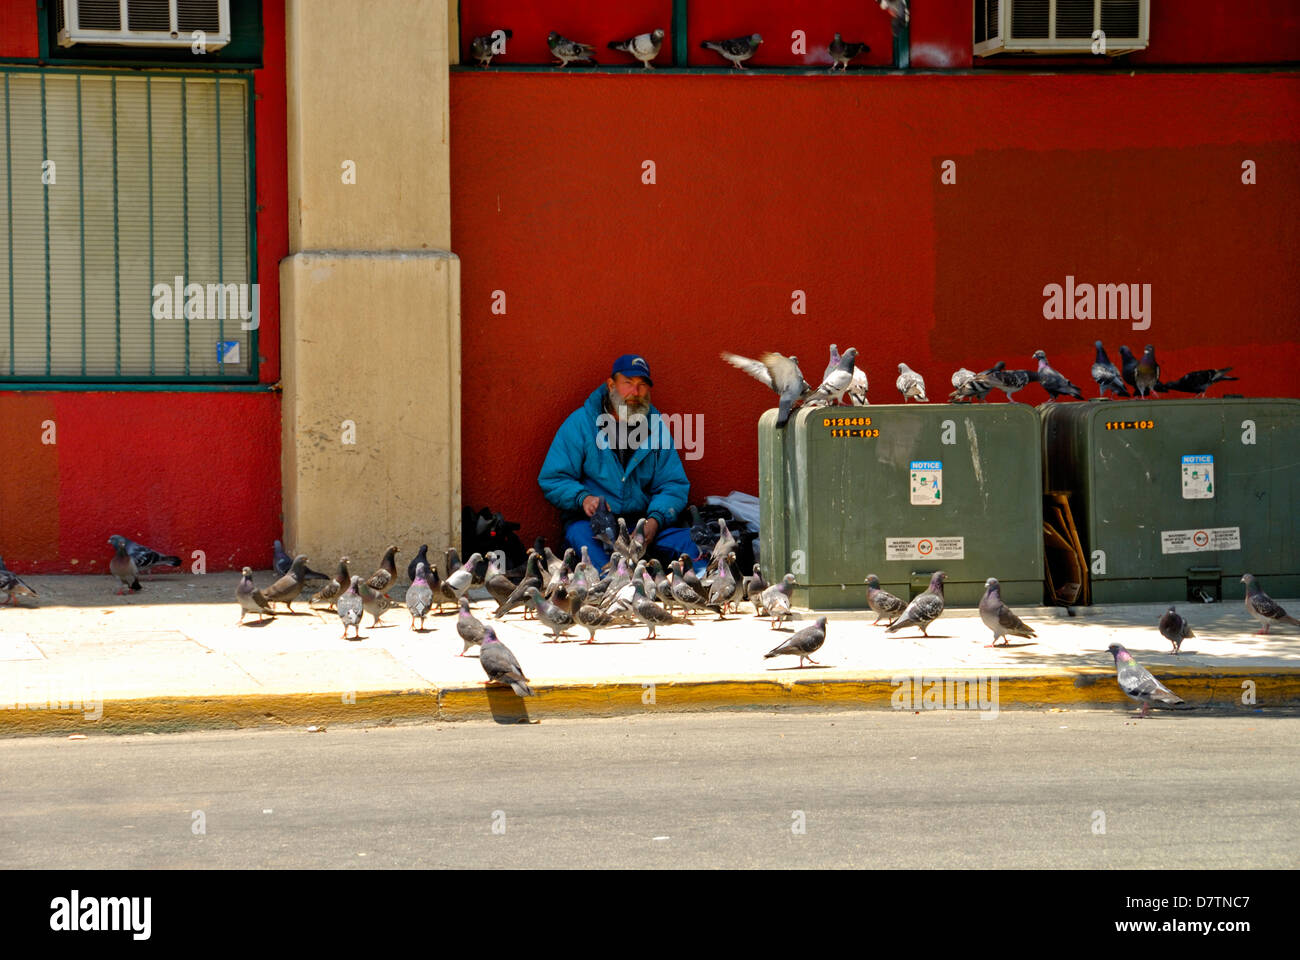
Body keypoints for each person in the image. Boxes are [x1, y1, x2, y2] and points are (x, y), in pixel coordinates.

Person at [538, 354, 706, 572]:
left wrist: (655, 521)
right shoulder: (582, 423)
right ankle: (614, 581)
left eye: (642, 385)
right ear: (611, 385)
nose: (635, 393)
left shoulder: (656, 427)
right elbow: (553, 478)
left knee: (695, 544)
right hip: (594, 527)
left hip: (641, 526)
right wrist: (583, 498)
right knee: (580, 538)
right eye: (628, 383)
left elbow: (673, 484)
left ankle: (692, 583)